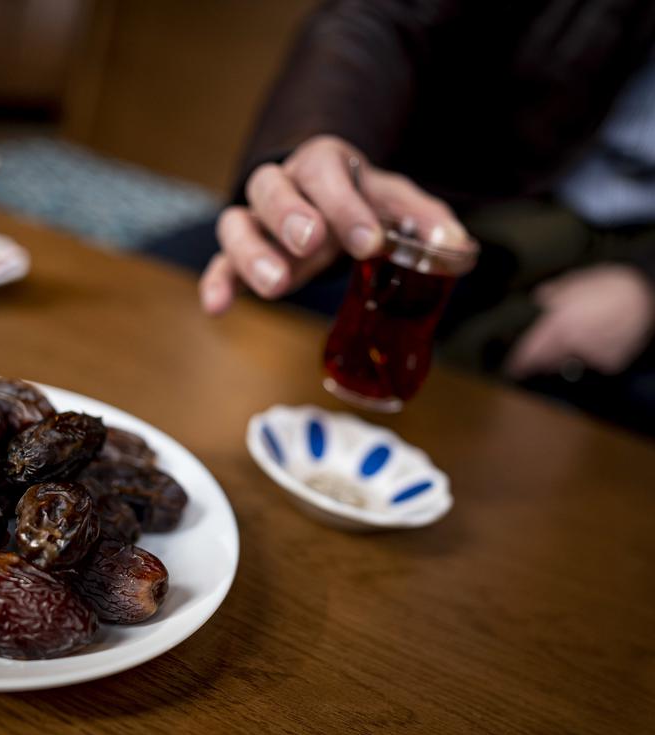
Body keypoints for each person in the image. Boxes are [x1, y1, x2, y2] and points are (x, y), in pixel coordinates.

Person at [150, 0, 655, 434]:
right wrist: (321, 143)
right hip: (444, 198)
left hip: (625, 260)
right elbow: (382, 15)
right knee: (169, 285)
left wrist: (645, 284)